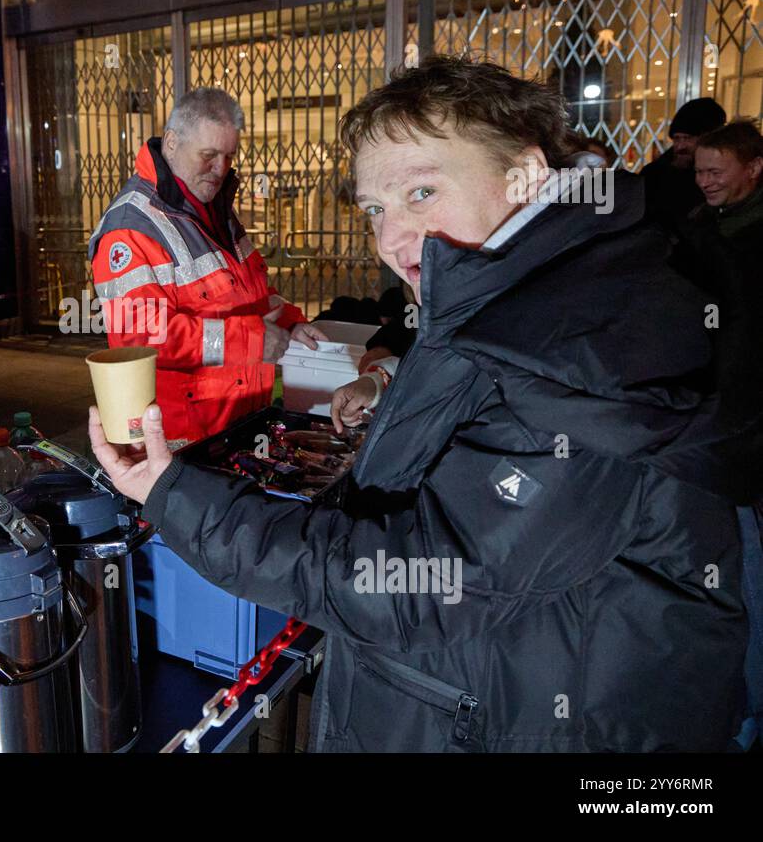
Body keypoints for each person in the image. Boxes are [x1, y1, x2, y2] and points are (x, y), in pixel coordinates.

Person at [89, 55, 747, 752]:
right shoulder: (529, 285)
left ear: (525, 173)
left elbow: (416, 586)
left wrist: (180, 492)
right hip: (190, 419)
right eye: (375, 208)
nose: (390, 238)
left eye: (422, 192)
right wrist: (374, 383)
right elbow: (143, 331)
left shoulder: (582, 341)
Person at [88, 88, 323, 446]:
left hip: (238, 422)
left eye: (229, 156)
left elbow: (249, 293)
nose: (220, 169)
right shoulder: (131, 227)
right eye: (208, 155)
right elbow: (141, 337)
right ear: (171, 143)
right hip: (186, 440)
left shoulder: (212, 208)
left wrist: (289, 322)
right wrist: (253, 340)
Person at [678, 119, 763, 748]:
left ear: (752, 168)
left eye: (716, 170)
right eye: (700, 169)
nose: (704, 180)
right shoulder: (696, 229)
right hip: (711, 408)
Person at [641, 96, 726, 239]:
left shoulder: (724, 176)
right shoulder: (653, 175)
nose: (680, 146)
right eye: (676, 139)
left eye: (687, 138)